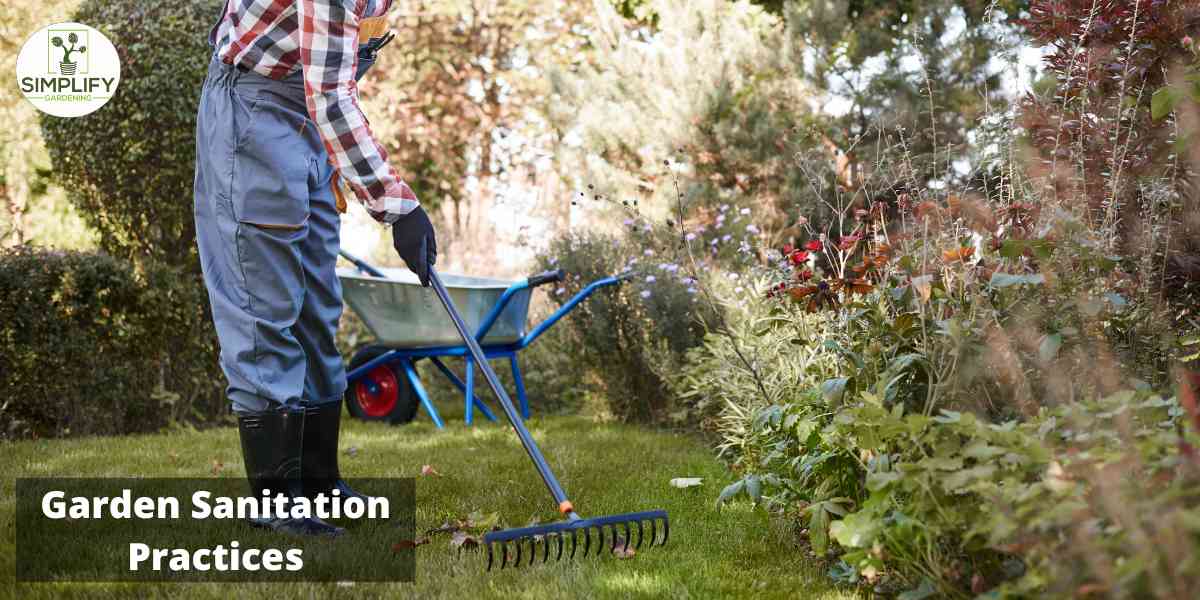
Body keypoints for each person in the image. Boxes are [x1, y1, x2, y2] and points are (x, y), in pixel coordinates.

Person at [193, 0, 436, 537]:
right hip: (253, 115)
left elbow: (331, 78)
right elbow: (330, 93)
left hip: (307, 120)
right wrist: (397, 206)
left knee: (316, 307)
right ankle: (279, 502)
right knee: (265, 312)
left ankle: (321, 485)